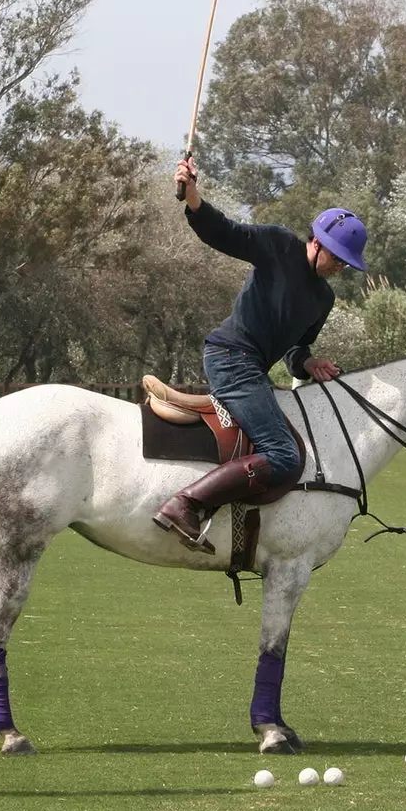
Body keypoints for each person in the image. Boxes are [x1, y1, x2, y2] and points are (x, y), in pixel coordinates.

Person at [152, 157, 366, 552]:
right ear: (316, 241)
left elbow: (295, 350)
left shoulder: (324, 298)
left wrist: (308, 362)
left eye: (345, 263)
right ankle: (185, 504)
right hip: (230, 358)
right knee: (284, 455)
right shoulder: (279, 245)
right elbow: (225, 233)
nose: (339, 267)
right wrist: (193, 195)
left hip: (253, 370)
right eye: (336, 256)